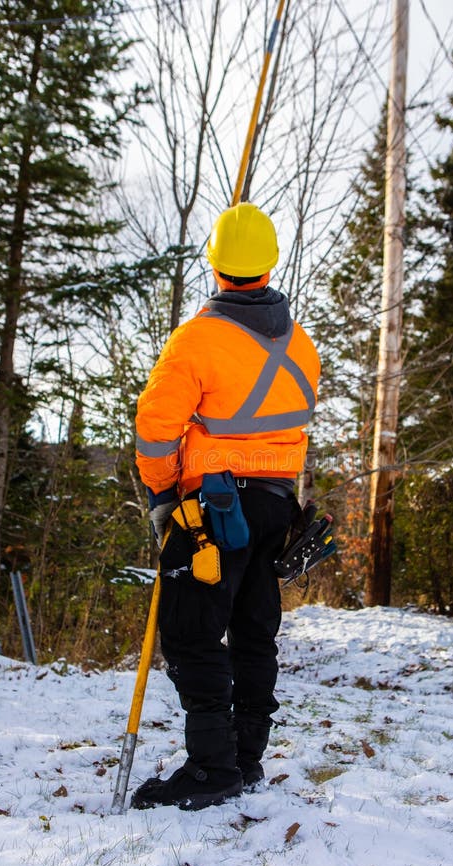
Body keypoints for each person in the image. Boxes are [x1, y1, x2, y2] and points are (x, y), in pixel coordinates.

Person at [131, 202, 320, 810]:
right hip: (275, 509)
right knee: (253, 632)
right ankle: (244, 759)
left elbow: (157, 430)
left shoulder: (197, 339)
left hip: (210, 510)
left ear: (214, 264)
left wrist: (163, 495)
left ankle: (212, 769)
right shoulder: (303, 346)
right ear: (269, 263)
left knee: (190, 632)